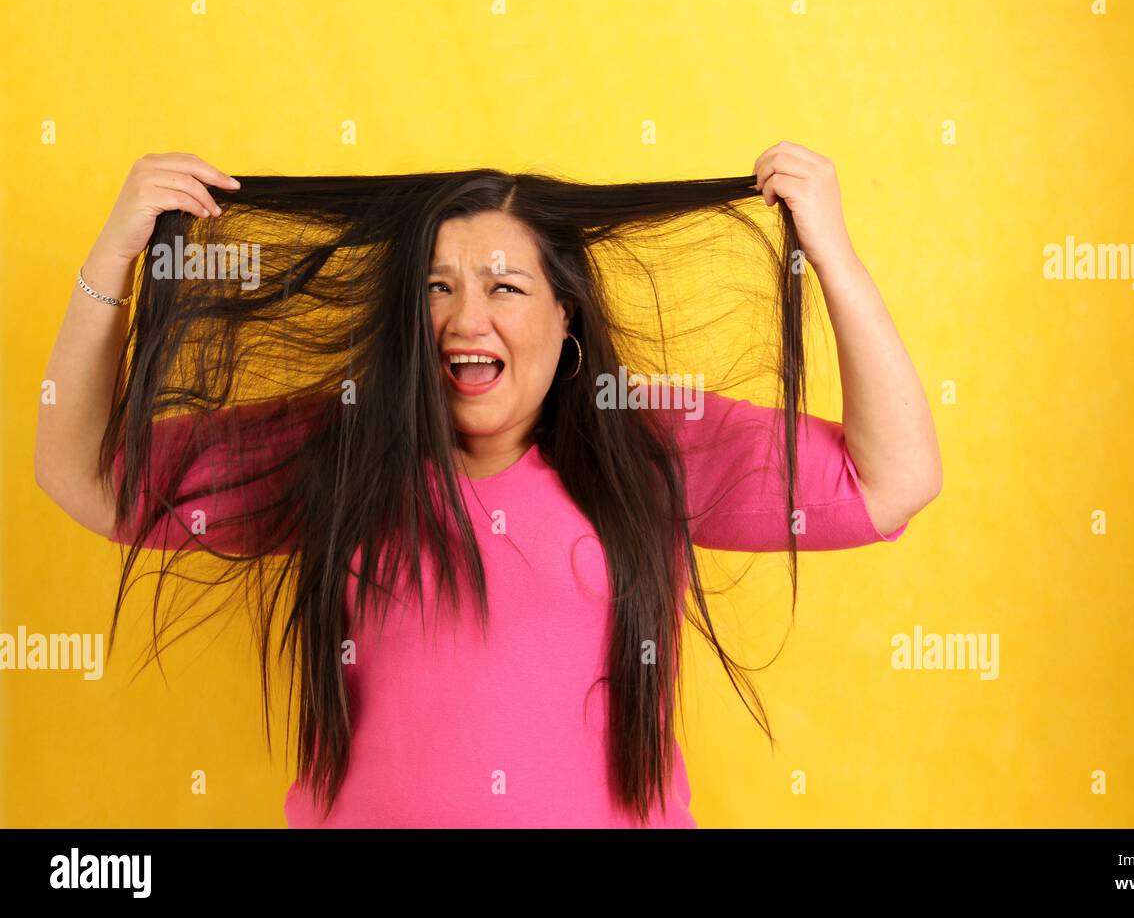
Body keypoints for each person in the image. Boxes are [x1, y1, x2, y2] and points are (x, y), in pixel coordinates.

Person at [35, 144, 941, 827]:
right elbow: (86, 477)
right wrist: (111, 260)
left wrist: (833, 256)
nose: (466, 318)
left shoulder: (651, 445)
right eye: (436, 289)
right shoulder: (340, 448)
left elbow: (894, 481)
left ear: (565, 311)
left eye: (505, 287)